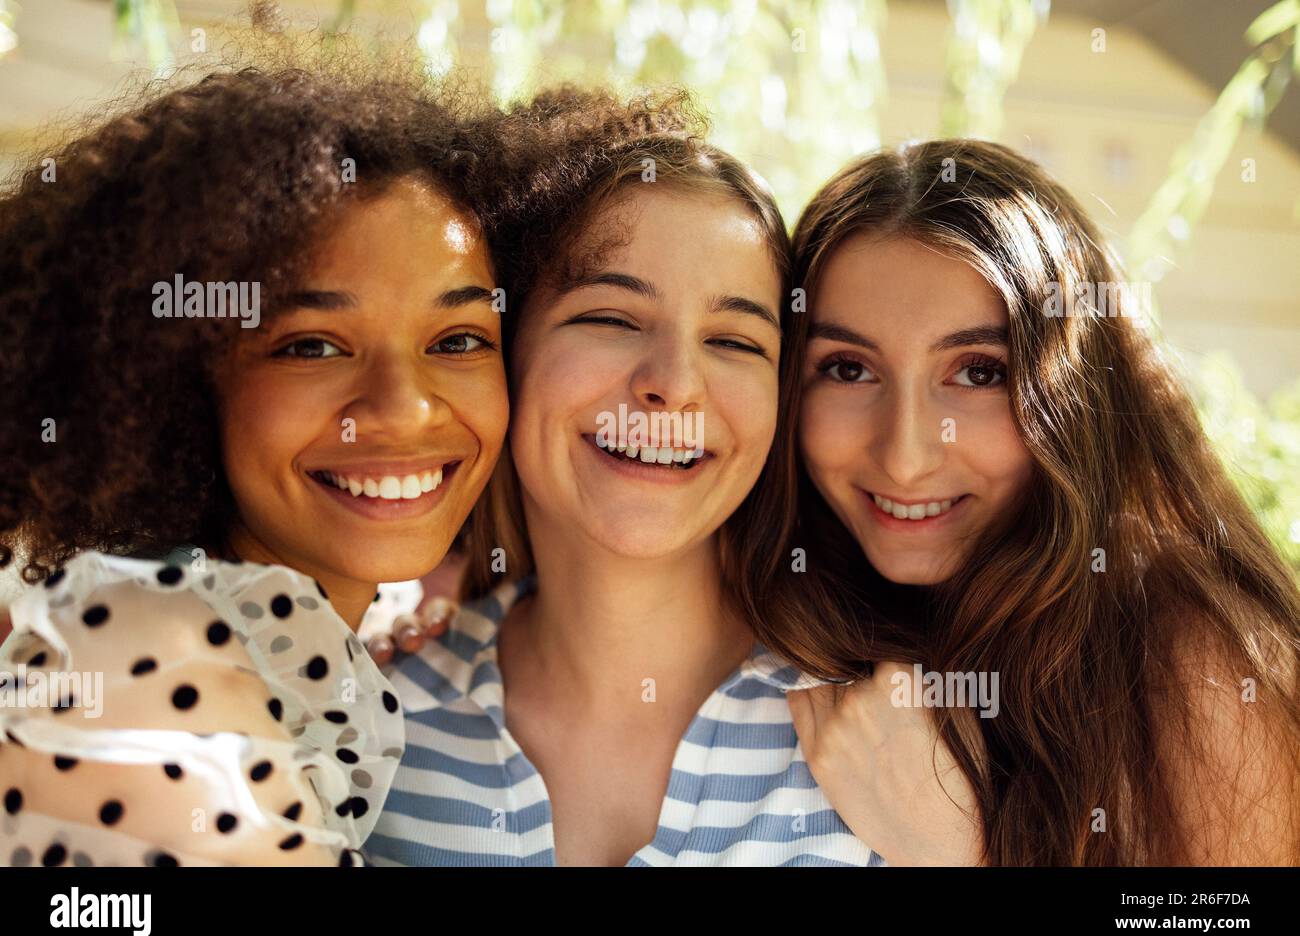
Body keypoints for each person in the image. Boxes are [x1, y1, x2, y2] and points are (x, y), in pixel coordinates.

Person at [0, 49, 509, 865]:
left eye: (458, 339)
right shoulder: (135, 661)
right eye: (311, 345)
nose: (404, 408)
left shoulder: (334, 642)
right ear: (175, 381)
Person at [365, 88, 885, 867]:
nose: (674, 383)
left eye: (736, 340)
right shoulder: (371, 722)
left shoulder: (888, 737)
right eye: (610, 318)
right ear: (503, 352)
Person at [785, 139, 1300, 866]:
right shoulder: (794, 618)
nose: (904, 454)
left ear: (1074, 395)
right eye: (847, 367)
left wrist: (957, 853)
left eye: (979, 372)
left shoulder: (1189, 648)